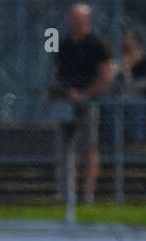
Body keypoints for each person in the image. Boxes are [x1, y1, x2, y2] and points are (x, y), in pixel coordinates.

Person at [51, 4, 114, 204]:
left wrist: (85, 94)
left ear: (86, 20)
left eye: (76, 18)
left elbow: (105, 76)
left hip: (89, 102)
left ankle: (88, 194)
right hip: (67, 101)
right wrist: (56, 92)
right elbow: (57, 72)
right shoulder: (64, 43)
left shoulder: (97, 44)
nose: (72, 22)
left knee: (89, 148)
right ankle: (64, 192)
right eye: (71, 18)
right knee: (64, 147)